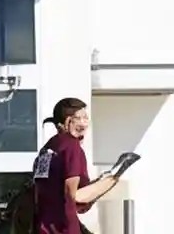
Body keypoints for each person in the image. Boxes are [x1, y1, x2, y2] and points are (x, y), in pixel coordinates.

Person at [31, 98, 119, 234]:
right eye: (79, 118)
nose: (84, 123)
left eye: (86, 118)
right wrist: (106, 183)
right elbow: (71, 195)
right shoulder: (71, 146)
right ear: (67, 121)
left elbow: (41, 190)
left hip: (42, 227)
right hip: (64, 228)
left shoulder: (46, 149)